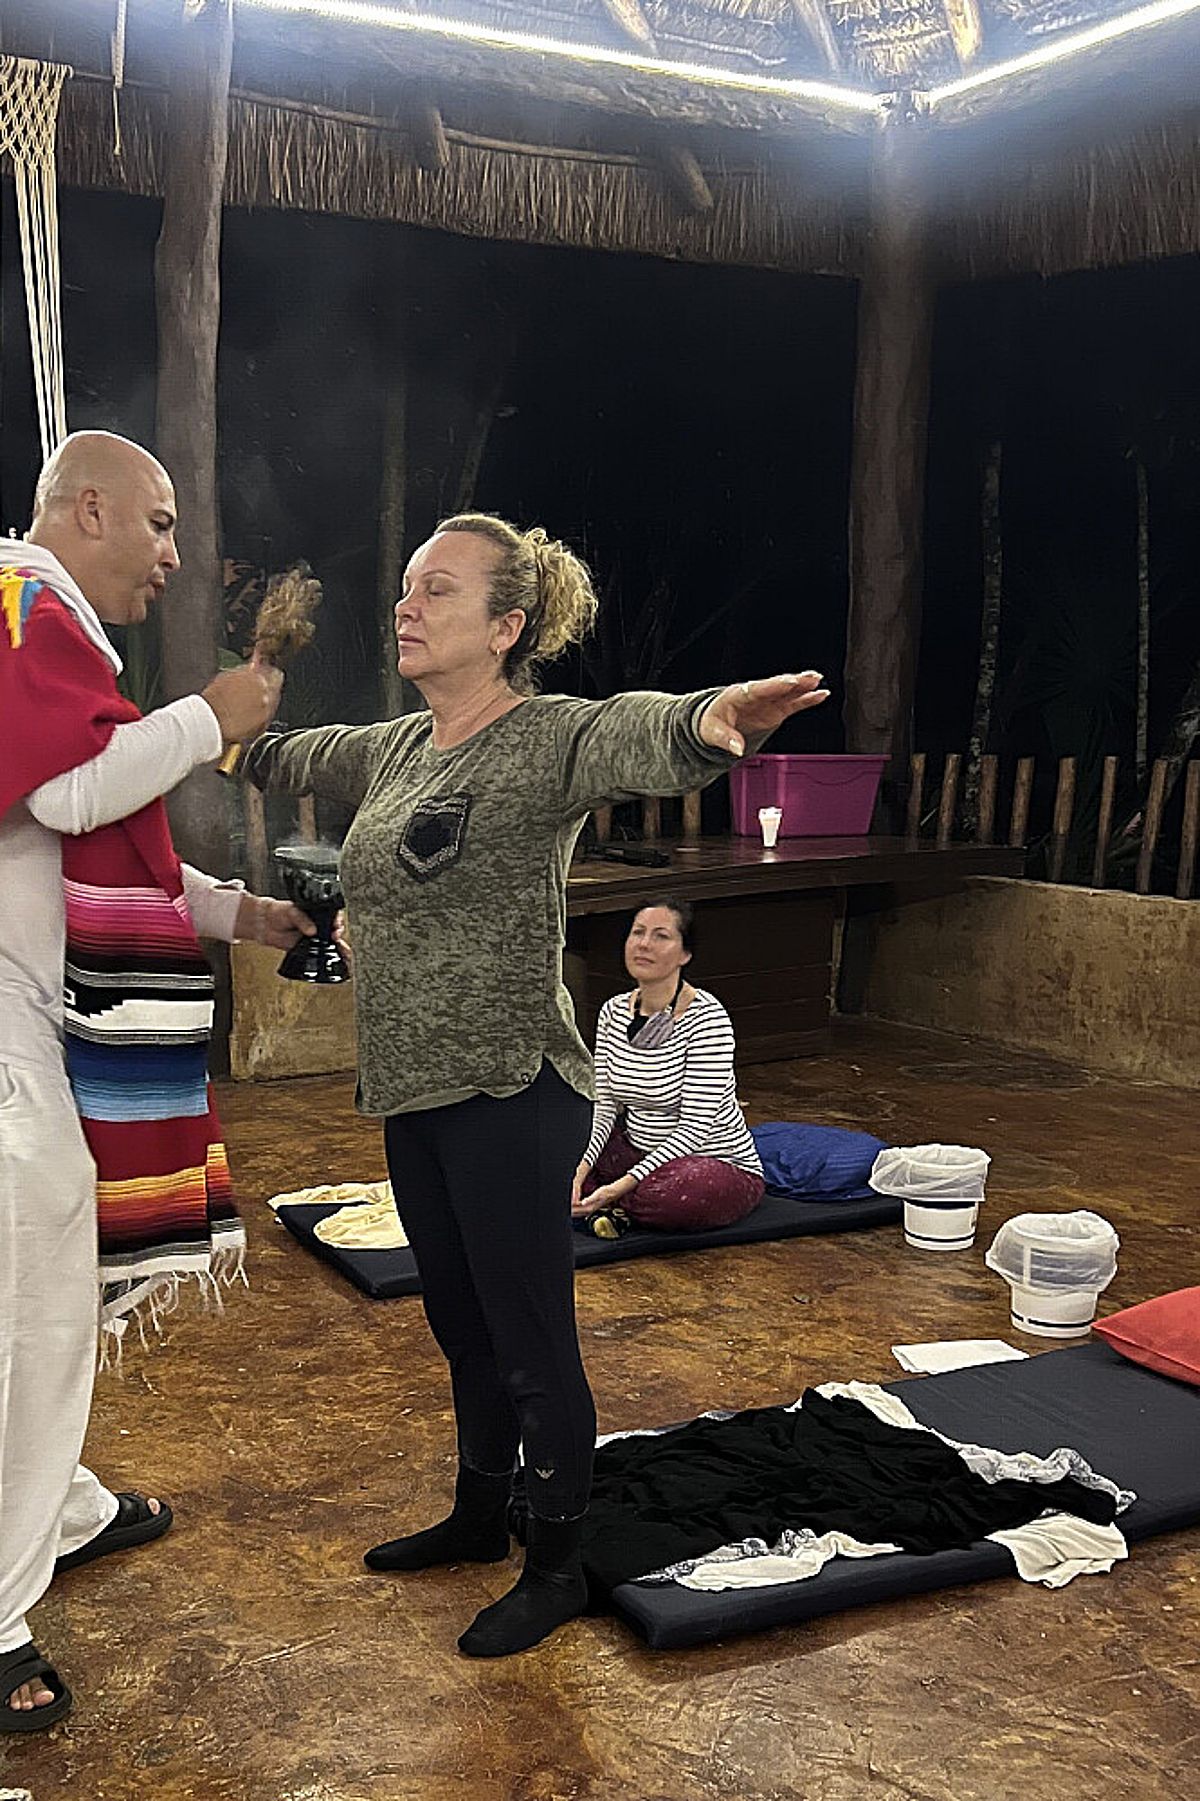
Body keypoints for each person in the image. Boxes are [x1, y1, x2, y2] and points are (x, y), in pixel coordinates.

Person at [244, 510, 829, 1658]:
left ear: (507, 625)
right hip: (412, 1087)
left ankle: (557, 1556)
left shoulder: (544, 735)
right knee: (461, 1324)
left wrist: (716, 720)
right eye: (408, 587)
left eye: (439, 591)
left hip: (514, 1090)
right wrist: (221, 740)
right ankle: (478, 1513)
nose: (406, 607)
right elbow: (305, 754)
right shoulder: (402, 748)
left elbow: (638, 733)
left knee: (527, 1335)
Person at [0, 431, 302, 1731]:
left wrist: (238, 912)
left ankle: (51, 1496)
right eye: (160, 524)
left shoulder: (47, 628)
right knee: (36, 1293)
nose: (176, 555)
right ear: (87, 508)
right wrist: (207, 721)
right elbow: (74, 791)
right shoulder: (21, 605)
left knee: (52, 1276)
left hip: (30, 1012)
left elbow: (84, 843)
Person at [570, 898, 764, 1237]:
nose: (644, 944)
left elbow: (694, 1129)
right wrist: (578, 1170)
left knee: (676, 1195)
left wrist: (617, 1189)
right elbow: (604, 1107)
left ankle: (609, 1203)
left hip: (708, 1162)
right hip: (638, 1153)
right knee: (561, 1146)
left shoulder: (708, 1018)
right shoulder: (612, 1011)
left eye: (661, 936)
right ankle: (602, 1202)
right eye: (638, 933)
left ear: (685, 954)